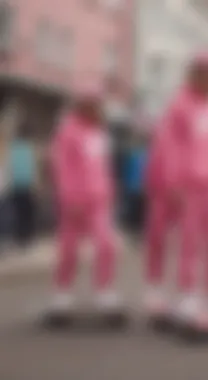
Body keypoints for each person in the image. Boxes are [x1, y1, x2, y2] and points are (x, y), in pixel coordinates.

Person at [45, 84, 126, 328]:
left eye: (98, 105)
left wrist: (111, 190)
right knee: (69, 250)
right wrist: (69, 197)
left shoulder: (100, 133)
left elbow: (103, 166)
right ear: (80, 106)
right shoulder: (67, 131)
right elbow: (61, 167)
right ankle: (61, 298)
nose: (95, 109)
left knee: (106, 245)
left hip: (99, 201)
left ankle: (105, 294)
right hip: (74, 202)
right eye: (90, 104)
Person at [165, 52, 208, 338]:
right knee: (190, 242)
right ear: (193, 74)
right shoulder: (180, 105)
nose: (207, 78)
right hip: (189, 185)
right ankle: (189, 297)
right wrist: (174, 181)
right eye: (202, 72)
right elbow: (171, 146)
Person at [9, 124, 37, 251]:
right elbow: (31, 168)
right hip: (24, 185)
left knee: (21, 213)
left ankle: (23, 237)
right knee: (25, 213)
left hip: (19, 185)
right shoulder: (27, 148)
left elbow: (12, 168)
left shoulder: (15, 148)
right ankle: (25, 237)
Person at [125, 132, 148, 238]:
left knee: (137, 210)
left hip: (136, 187)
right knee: (138, 210)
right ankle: (136, 229)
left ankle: (135, 229)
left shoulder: (136, 154)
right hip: (137, 187)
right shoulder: (140, 155)